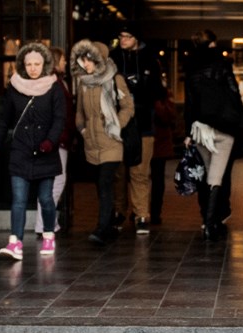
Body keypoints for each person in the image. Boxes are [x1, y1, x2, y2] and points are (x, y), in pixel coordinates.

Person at [0, 43, 64, 260]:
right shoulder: (14, 87)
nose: (32, 68)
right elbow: (4, 120)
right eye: (28, 64)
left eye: (37, 64)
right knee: (18, 199)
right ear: (22, 65)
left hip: (45, 151)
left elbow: (59, 120)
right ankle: (15, 243)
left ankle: (48, 234)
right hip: (20, 150)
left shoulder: (54, 87)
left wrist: (50, 141)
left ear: (45, 64)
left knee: (46, 199)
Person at [183, 29, 243, 241]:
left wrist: (188, 131)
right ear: (211, 44)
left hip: (200, 129)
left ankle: (206, 219)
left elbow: (189, 102)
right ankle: (213, 221)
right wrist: (240, 121)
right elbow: (234, 93)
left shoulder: (190, 66)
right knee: (218, 177)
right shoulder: (222, 64)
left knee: (206, 174)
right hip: (223, 128)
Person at [70, 39, 134, 245]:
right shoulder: (83, 83)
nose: (84, 64)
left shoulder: (115, 79)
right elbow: (79, 112)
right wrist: (83, 129)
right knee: (101, 186)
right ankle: (111, 220)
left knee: (106, 182)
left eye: (88, 60)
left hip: (111, 141)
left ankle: (102, 228)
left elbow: (128, 107)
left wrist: (117, 125)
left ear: (99, 60)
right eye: (81, 60)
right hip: (92, 143)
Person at [110, 25, 166, 236]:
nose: (123, 39)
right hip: (118, 124)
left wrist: (136, 87)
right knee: (119, 173)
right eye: (121, 35)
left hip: (143, 124)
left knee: (140, 172)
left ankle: (142, 214)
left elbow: (158, 91)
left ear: (137, 38)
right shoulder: (113, 58)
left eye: (128, 36)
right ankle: (119, 212)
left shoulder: (150, 59)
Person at [33, 46, 74, 236]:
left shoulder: (56, 82)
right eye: (63, 59)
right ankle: (45, 224)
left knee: (51, 182)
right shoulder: (55, 83)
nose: (66, 62)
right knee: (56, 182)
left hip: (55, 139)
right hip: (56, 140)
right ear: (57, 61)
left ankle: (47, 223)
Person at [149, 86, 178, 225]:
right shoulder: (164, 95)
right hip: (150, 140)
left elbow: (168, 116)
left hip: (159, 143)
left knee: (157, 178)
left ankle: (155, 212)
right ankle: (143, 209)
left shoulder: (163, 95)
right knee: (142, 178)